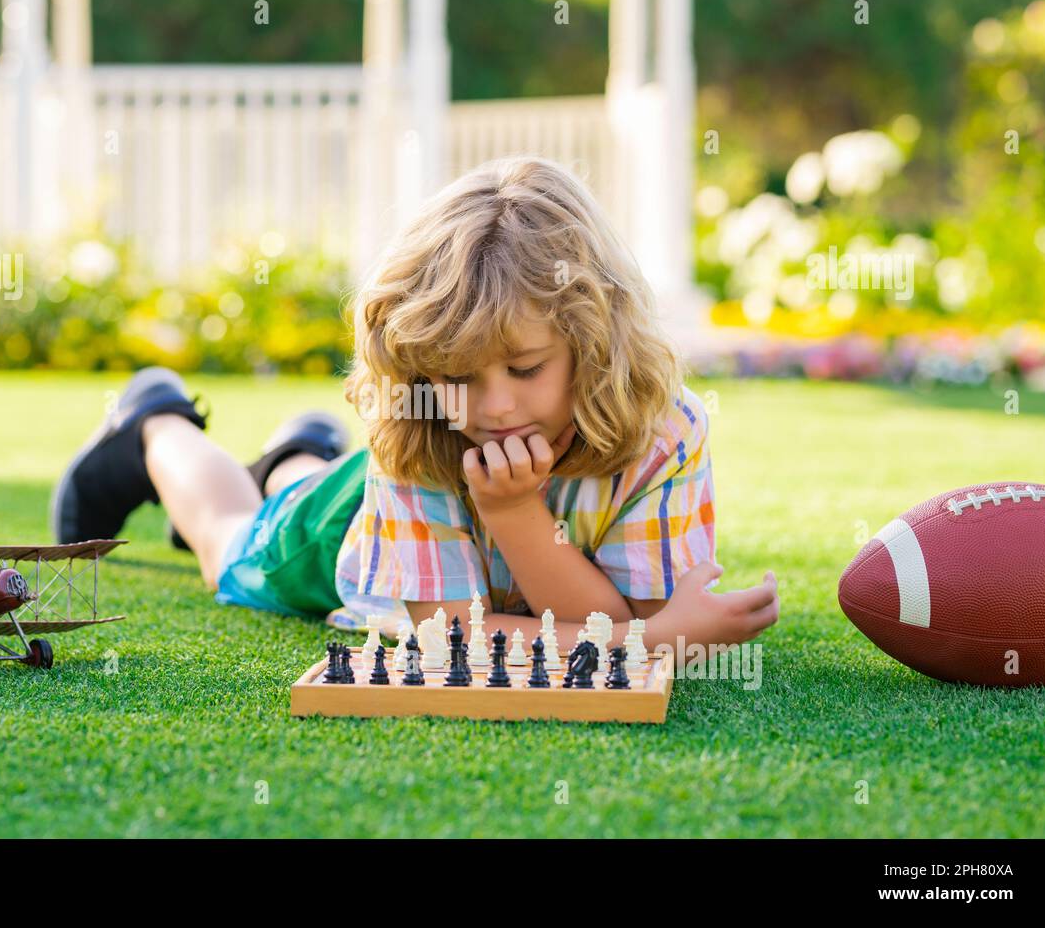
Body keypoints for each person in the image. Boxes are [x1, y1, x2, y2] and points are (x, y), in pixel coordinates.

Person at [50, 155, 779, 656]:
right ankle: (157, 420)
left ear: (596, 340)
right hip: (346, 530)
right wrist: (515, 514)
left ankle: (297, 454)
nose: (493, 408)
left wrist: (635, 624)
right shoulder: (422, 426)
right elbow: (450, 635)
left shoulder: (665, 428)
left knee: (301, 484)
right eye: (457, 376)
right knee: (231, 545)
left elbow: (626, 616)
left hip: (406, 522)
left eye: (525, 368)